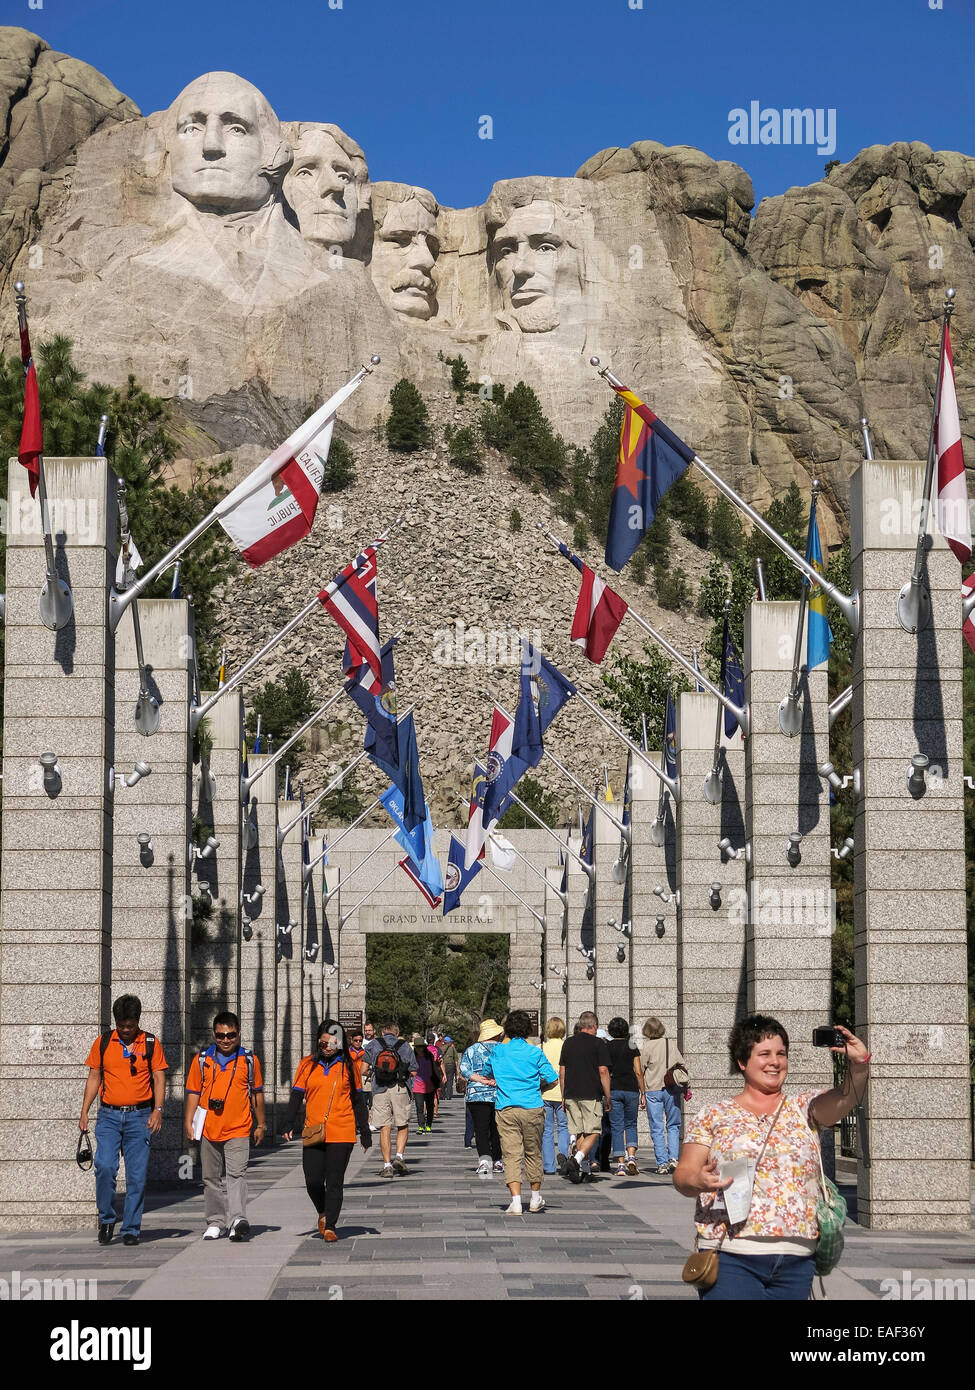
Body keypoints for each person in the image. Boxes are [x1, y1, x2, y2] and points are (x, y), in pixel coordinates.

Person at [674, 1014, 870, 1301]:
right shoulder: (714, 1115)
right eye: (764, 1054)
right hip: (732, 1253)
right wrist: (699, 1180)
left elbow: (845, 1098)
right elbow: (683, 1176)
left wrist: (859, 1064)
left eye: (781, 1054)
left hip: (796, 1258)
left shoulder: (805, 1109)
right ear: (742, 1061)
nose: (775, 1062)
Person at [79, 995, 168, 1246]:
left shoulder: (150, 1042)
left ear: (137, 1022)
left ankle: (130, 1228)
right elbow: (94, 1076)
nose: (126, 1030)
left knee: (136, 1176)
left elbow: (159, 1078)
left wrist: (157, 1109)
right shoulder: (105, 1042)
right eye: (121, 1025)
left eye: (130, 1025)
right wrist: (85, 1111)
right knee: (104, 1166)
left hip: (140, 1116)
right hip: (108, 1115)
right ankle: (107, 1219)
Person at [282, 1020, 371, 1241]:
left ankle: (330, 1225)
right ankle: (323, 1211)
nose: (327, 1048)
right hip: (314, 1130)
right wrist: (288, 1123)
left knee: (334, 1180)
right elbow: (296, 1096)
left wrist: (365, 1132)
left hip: (342, 1130)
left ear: (339, 1043)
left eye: (331, 1043)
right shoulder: (307, 1065)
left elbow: (358, 1101)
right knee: (312, 1180)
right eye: (323, 1044)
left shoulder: (350, 1066)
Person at [184, 1012, 265, 1242]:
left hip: (239, 1127)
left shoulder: (249, 1061)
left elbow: (257, 1093)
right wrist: (188, 1122)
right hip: (209, 1128)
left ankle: (237, 1220)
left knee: (236, 1175)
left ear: (238, 1034)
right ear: (214, 1034)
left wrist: (261, 1124)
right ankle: (215, 1222)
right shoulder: (202, 1060)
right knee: (210, 1178)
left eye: (230, 1035)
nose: (226, 1040)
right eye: (220, 1035)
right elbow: (193, 1093)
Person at [477, 1010, 559, 1214]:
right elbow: (553, 1078)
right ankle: (535, 1198)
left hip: (506, 1107)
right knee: (533, 1152)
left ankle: (515, 1201)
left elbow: (487, 1072)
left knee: (511, 1154)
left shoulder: (497, 1052)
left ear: (507, 1030)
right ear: (528, 1030)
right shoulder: (535, 1052)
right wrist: (537, 1087)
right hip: (532, 1106)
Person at [558, 1011, 611, 1183]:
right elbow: (603, 1071)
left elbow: (562, 1071)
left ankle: (584, 1170)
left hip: (571, 1093)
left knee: (580, 1132)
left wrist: (563, 1095)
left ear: (581, 1026)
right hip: (591, 1093)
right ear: (594, 1026)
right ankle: (577, 1159)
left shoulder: (568, 1043)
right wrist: (608, 1096)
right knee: (594, 1131)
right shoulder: (598, 1044)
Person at [363, 1021, 417, 1176]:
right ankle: (399, 1156)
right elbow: (413, 1071)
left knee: (384, 1127)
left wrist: (377, 1073)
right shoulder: (405, 1046)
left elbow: (363, 1070)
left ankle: (387, 1166)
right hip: (399, 1088)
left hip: (380, 1089)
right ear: (397, 1033)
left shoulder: (373, 1044)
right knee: (402, 1124)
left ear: (382, 1032)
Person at [640, 1017, 686, 1174]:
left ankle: (662, 1163)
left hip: (653, 1089)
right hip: (671, 1088)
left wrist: (641, 1091)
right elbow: (681, 1062)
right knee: (673, 1125)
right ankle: (674, 1158)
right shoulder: (670, 1043)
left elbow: (640, 1068)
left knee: (657, 1127)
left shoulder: (647, 1047)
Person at [459, 1020, 505, 1176]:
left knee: (481, 1130)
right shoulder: (503, 1049)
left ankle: (485, 1162)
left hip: (477, 1095)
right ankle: (498, 1160)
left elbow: (463, 1068)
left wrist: (478, 1079)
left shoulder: (472, 1050)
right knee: (497, 1129)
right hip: (500, 1093)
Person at [606, 1017, 645, 1177]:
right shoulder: (632, 1046)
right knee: (631, 1124)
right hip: (631, 1089)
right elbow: (638, 1071)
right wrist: (643, 1092)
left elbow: (604, 1070)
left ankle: (620, 1164)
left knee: (616, 1126)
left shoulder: (606, 1047)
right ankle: (632, 1157)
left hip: (614, 1089)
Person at [540, 1017, 570, 1175]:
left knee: (547, 1130)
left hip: (545, 1093)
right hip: (564, 1093)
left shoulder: (541, 1047)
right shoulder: (568, 1046)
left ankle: (549, 1165)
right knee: (564, 1128)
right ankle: (564, 1159)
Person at [412, 1039, 439, 1132]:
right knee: (419, 1107)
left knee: (430, 1107)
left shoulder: (429, 1056)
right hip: (417, 1085)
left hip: (429, 1085)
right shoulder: (412, 1057)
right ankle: (420, 1126)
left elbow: (435, 1068)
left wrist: (438, 1079)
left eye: (421, 1047)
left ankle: (428, 1125)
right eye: (417, 1047)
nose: (419, 1049)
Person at [440, 1035, 458, 1100]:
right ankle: (448, 1095)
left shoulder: (441, 1048)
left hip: (443, 1066)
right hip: (451, 1065)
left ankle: (442, 1095)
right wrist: (456, 1068)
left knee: (443, 1080)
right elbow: (456, 1058)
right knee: (450, 1081)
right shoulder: (452, 1048)